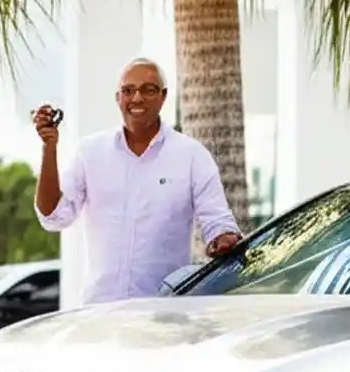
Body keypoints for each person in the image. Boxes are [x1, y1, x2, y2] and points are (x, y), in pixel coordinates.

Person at [32, 57, 243, 305]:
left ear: (163, 96)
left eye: (148, 90)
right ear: (117, 98)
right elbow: (54, 216)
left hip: (165, 313)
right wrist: (49, 147)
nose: (137, 98)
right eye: (128, 91)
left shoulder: (192, 155)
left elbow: (217, 222)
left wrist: (223, 239)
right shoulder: (89, 152)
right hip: (99, 312)